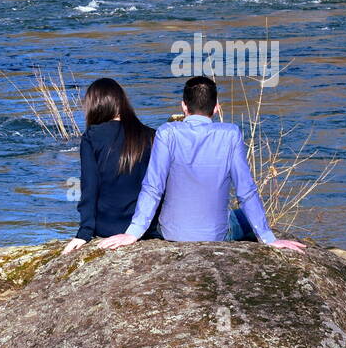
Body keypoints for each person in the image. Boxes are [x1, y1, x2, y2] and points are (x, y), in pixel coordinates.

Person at [98, 75, 306, 251]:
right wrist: (269, 238)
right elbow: (246, 191)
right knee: (241, 215)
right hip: (217, 234)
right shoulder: (231, 135)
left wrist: (132, 233)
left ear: (184, 106)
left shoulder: (166, 133)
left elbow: (153, 187)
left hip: (172, 233)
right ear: (216, 108)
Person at [62, 78, 157, 254]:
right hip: (144, 228)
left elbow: (90, 187)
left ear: (94, 106)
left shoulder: (91, 137)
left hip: (107, 227)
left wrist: (84, 232)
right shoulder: (151, 135)